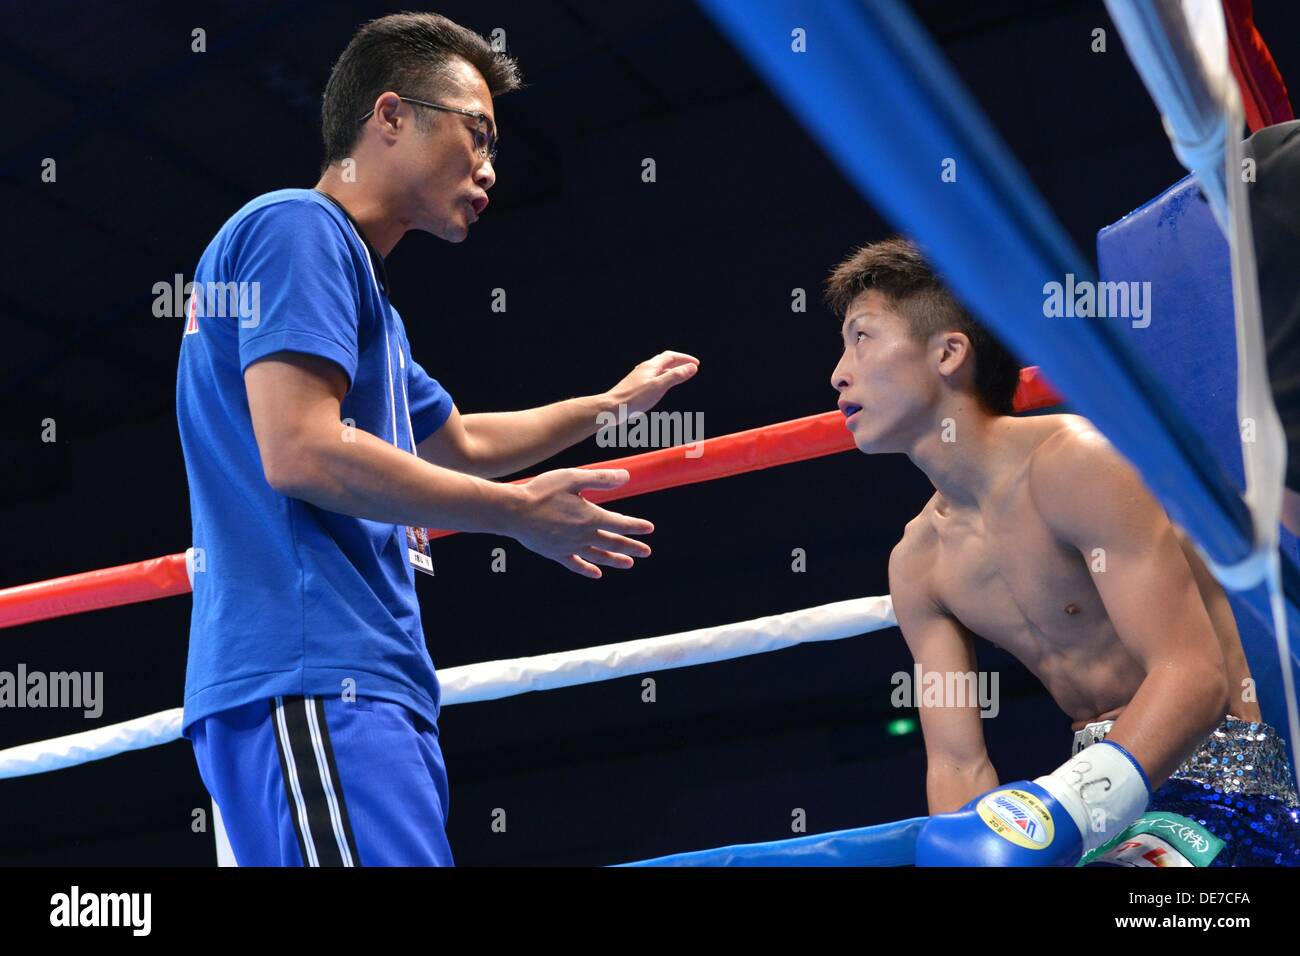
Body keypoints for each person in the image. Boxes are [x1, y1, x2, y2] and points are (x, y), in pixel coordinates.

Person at [175, 12, 699, 866]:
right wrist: (515, 515)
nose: (491, 167)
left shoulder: (365, 301)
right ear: (390, 117)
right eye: (477, 133)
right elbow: (300, 451)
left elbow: (460, 440)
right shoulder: (295, 230)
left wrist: (609, 407)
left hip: (358, 679)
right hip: (310, 665)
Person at [827, 236, 1298, 866]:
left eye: (862, 336)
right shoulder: (918, 562)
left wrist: (1064, 807)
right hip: (1101, 817)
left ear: (948, 352)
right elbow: (959, 764)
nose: (839, 372)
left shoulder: (1074, 465)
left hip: (1220, 789)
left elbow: (1194, 676)